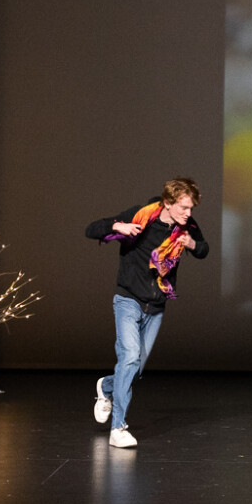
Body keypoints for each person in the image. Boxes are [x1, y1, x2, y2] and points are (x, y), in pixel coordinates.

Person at [86, 177, 209, 448]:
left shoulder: (187, 227)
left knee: (136, 370)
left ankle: (106, 387)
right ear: (167, 203)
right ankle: (118, 428)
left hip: (155, 307)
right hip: (128, 300)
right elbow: (92, 229)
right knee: (129, 358)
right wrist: (117, 226)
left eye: (191, 209)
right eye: (184, 208)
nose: (188, 214)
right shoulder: (141, 215)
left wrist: (191, 245)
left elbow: (203, 249)